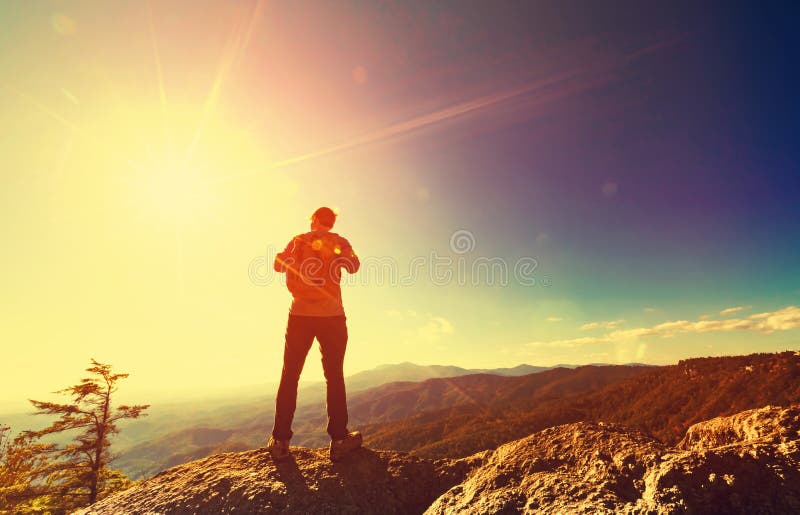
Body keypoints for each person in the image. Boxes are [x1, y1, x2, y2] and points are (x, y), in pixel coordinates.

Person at [267, 206, 362, 462]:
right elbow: (354, 266)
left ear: (313, 220)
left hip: (299, 316)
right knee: (334, 376)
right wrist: (338, 259)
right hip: (332, 316)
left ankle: (280, 441)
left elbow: (278, 265)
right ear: (331, 223)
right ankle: (339, 439)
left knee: (290, 375)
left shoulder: (298, 240)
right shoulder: (339, 241)